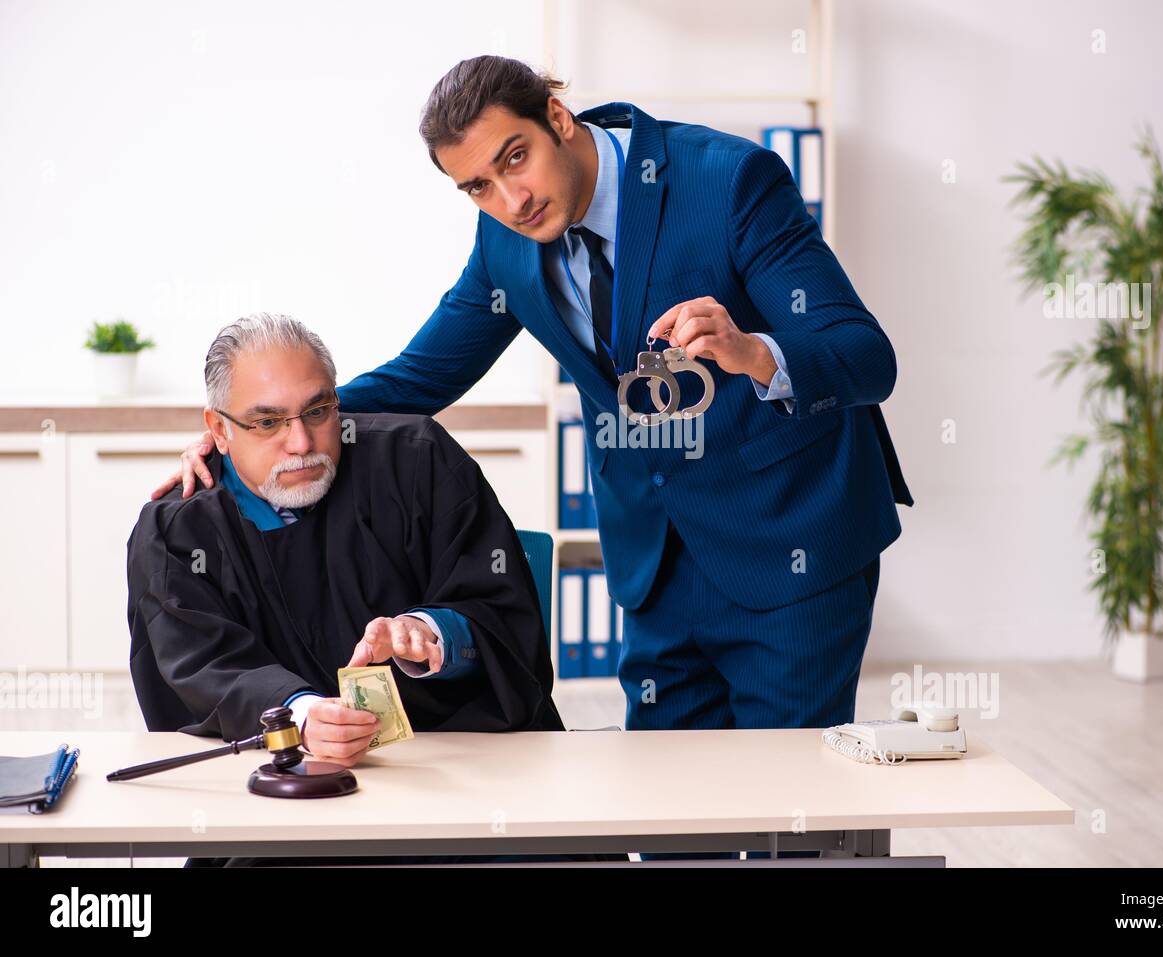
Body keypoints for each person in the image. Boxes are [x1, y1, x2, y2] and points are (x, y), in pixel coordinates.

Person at [153, 55, 913, 737]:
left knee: (788, 820)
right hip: (658, 566)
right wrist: (272, 432)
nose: (510, 198)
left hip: (790, 546)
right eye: (476, 185)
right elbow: (422, 378)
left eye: (514, 159)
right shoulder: (506, 244)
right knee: (674, 819)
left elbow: (864, 356)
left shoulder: (727, 180)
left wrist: (752, 351)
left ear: (557, 116)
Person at [129, 312, 563, 762]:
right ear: (218, 430)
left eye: (317, 412)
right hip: (271, 788)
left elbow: (502, 614)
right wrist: (298, 716)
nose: (300, 443)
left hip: (458, 766)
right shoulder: (176, 532)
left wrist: (430, 632)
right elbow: (202, 666)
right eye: (267, 422)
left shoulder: (419, 462)